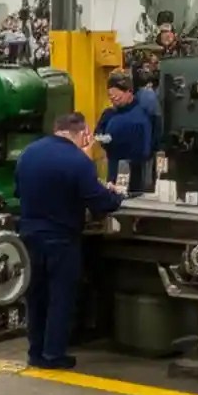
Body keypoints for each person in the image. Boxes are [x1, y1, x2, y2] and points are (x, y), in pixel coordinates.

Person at [15, 113, 125, 369]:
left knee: (36, 296)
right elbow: (98, 202)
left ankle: (35, 352)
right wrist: (116, 196)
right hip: (61, 239)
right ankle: (54, 355)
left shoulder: (28, 154)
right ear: (81, 133)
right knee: (60, 297)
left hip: (29, 236)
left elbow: (19, 191)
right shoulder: (78, 161)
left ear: (57, 129)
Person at [95, 72, 155, 193]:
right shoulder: (109, 114)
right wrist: (102, 138)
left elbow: (148, 143)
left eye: (118, 97)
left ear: (129, 92)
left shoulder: (143, 114)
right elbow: (97, 132)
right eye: (111, 98)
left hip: (137, 171)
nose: (114, 100)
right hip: (114, 169)